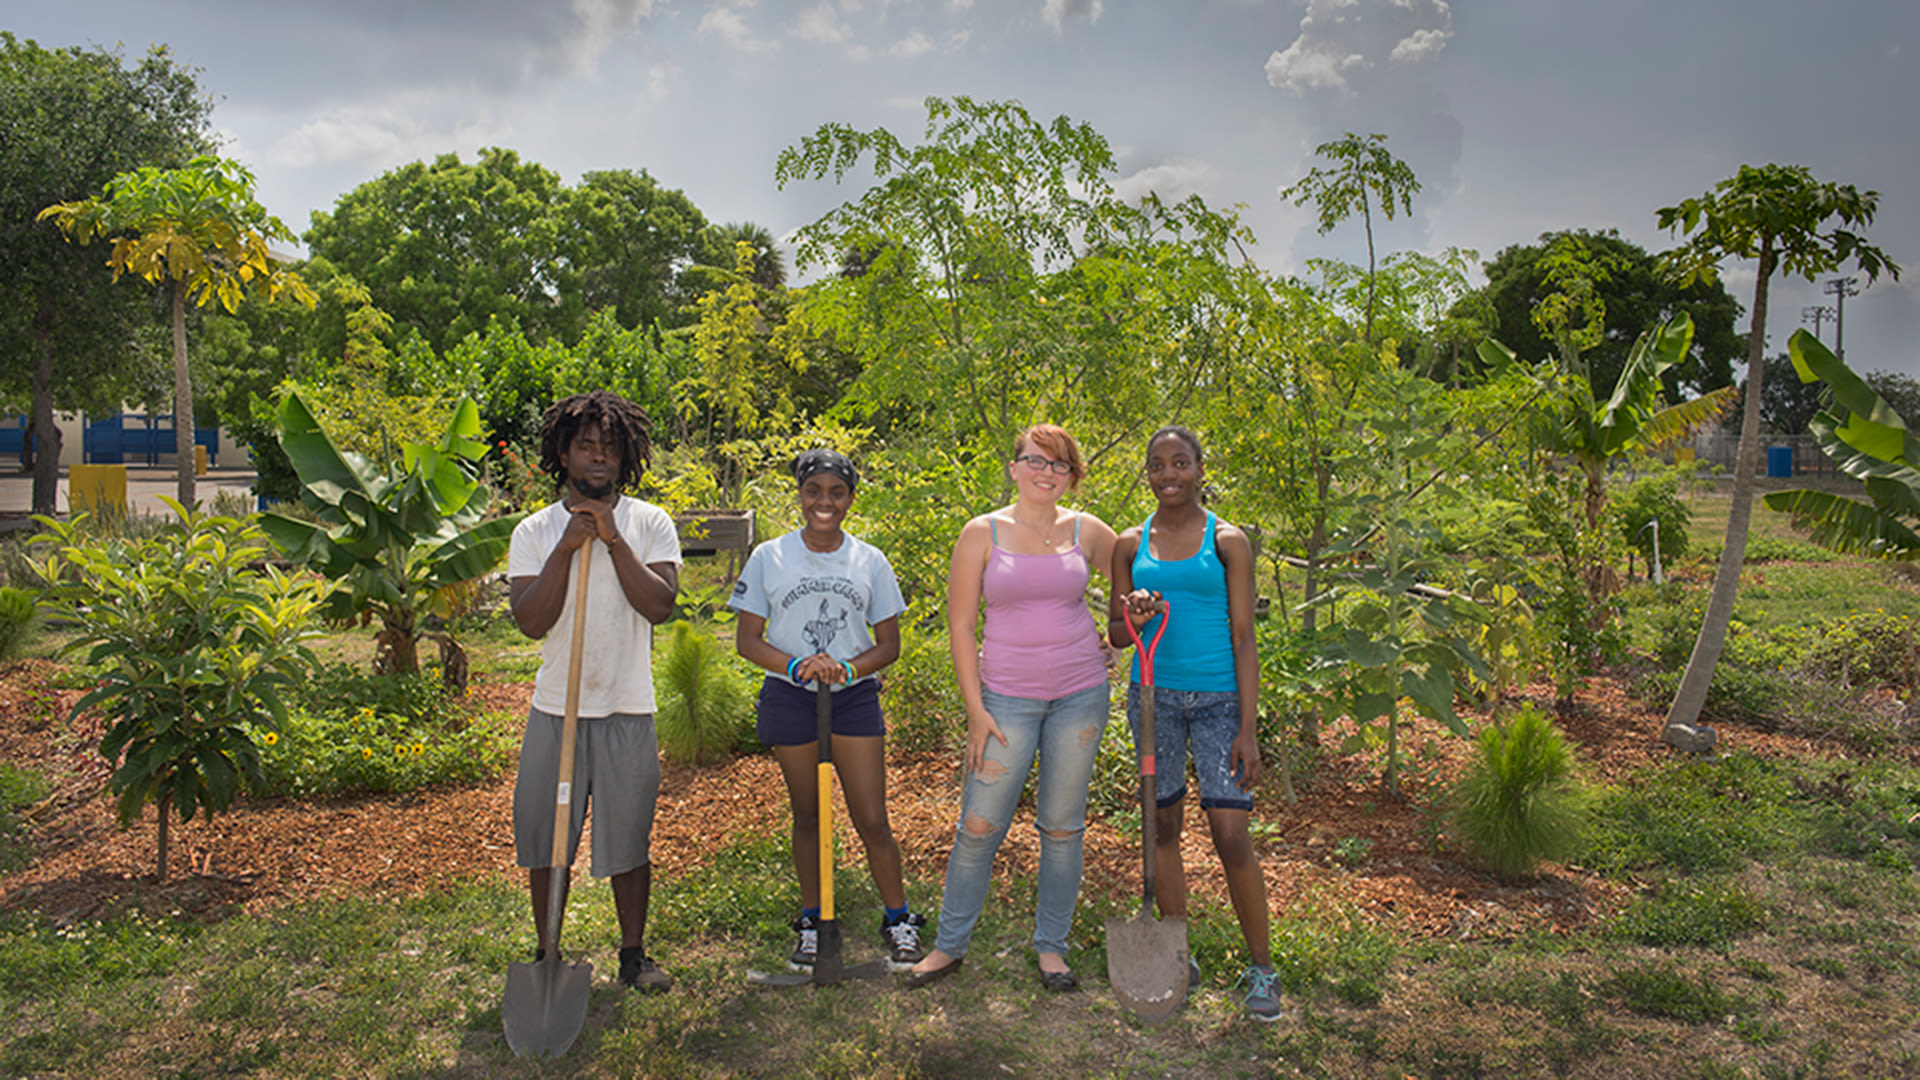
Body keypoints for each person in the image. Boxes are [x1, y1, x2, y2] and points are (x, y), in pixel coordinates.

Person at [908, 425, 1118, 992]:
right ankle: (949, 946)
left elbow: (1134, 583)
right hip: (1004, 702)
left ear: (1072, 476)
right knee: (978, 826)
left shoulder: (1088, 531)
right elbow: (959, 626)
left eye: (1060, 466)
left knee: (1062, 827)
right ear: (1014, 467)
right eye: (1036, 462)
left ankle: (1052, 947)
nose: (1047, 474)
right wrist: (976, 710)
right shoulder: (982, 534)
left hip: (1080, 695)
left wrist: (1116, 636)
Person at [507, 390, 681, 992]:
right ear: (564, 452)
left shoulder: (649, 523)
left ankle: (633, 956)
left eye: (609, 447)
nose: (598, 457)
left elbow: (660, 606)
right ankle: (547, 954)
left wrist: (612, 539)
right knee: (543, 838)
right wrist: (567, 546)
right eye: (586, 446)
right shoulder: (535, 531)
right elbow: (531, 621)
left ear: (625, 456)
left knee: (629, 837)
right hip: (557, 709)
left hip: (627, 707)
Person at [1107, 425, 1282, 1022]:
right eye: (1157, 465)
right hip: (1152, 697)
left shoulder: (1227, 541)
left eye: (1180, 462)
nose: (1168, 474)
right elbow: (1115, 634)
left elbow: (1242, 636)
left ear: (1200, 469)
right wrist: (1134, 612)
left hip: (1218, 702)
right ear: (1147, 475)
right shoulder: (1130, 545)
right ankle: (1176, 951)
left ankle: (1262, 968)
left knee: (1231, 834)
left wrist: (1248, 727)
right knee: (1161, 829)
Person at [729, 449, 924, 971]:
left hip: (852, 700)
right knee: (808, 815)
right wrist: (796, 666)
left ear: (850, 499)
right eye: (814, 490)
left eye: (836, 493)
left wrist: (849, 669)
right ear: (799, 494)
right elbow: (747, 640)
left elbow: (889, 644)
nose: (824, 502)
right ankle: (814, 921)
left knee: (871, 816)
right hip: (791, 697)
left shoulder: (869, 560)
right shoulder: (770, 556)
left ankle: (899, 918)